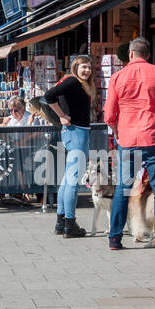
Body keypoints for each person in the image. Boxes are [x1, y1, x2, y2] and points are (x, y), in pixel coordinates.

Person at [104, 37, 155, 251]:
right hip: (153, 136)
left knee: (123, 187)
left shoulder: (117, 77)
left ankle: (114, 238)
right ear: (148, 55)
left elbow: (109, 113)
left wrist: (116, 128)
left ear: (130, 54)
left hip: (128, 139)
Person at [42, 55, 99, 239]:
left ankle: (61, 221)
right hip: (76, 132)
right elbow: (49, 95)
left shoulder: (76, 82)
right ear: (75, 67)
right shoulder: (73, 81)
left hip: (75, 132)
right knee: (73, 179)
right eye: (84, 67)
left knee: (68, 178)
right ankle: (69, 223)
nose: (87, 70)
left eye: (89, 68)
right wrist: (61, 116)